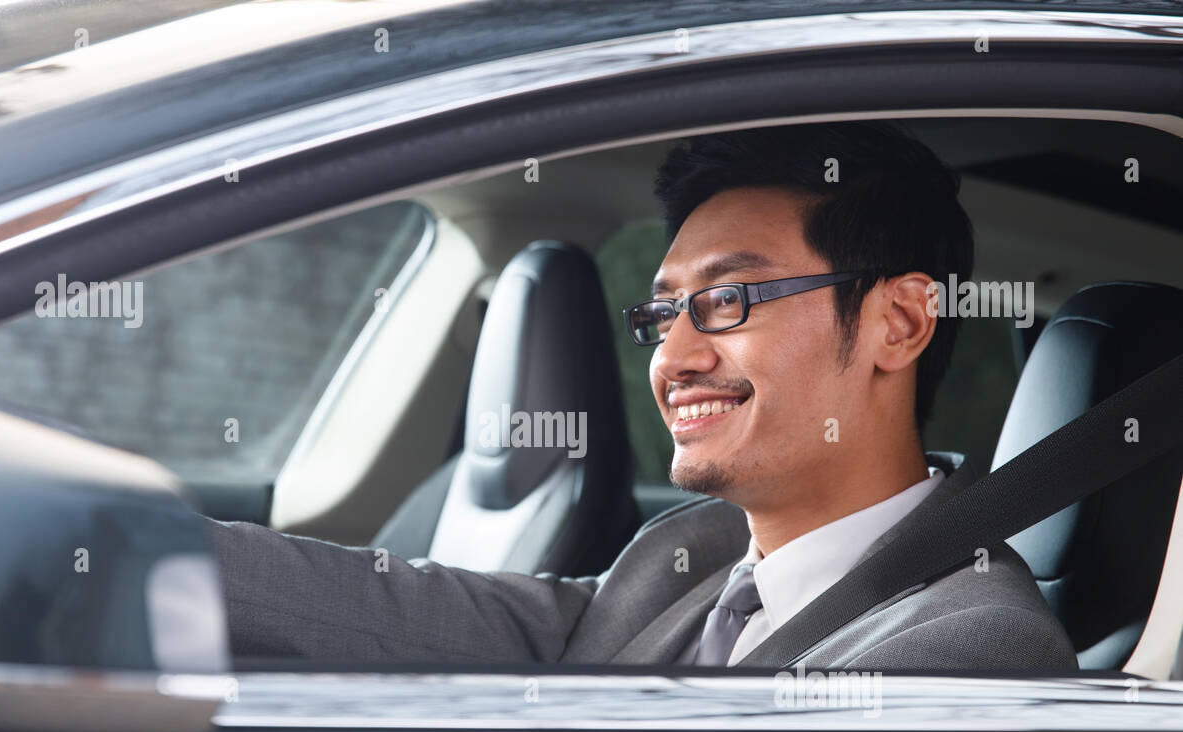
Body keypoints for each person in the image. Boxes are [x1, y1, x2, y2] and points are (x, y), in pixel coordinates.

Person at [203, 121, 1076, 670]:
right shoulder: (686, 555)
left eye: (729, 301)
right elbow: (405, 612)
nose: (676, 356)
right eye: (664, 312)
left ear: (898, 323)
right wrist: (118, 541)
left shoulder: (967, 650)